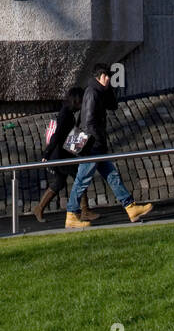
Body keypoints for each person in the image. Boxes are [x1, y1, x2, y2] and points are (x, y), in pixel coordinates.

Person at [64, 63, 153, 230]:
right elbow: (89, 122)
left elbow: (113, 105)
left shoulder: (99, 91)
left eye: (109, 76)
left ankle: (130, 207)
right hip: (92, 145)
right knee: (82, 180)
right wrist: (97, 143)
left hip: (96, 144)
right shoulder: (92, 93)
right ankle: (71, 213)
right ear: (99, 76)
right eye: (106, 76)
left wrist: (109, 89)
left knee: (112, 175)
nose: (109, 78)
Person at [33, 86, 99, 223]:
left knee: (59, 182)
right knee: (80, 177)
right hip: (61, 155)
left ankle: (39, 208)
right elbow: (57, 136)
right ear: (76, 101)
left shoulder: (68, 112)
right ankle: (84, 210)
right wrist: (47, 153)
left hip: (63, 153)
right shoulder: (65, 114)